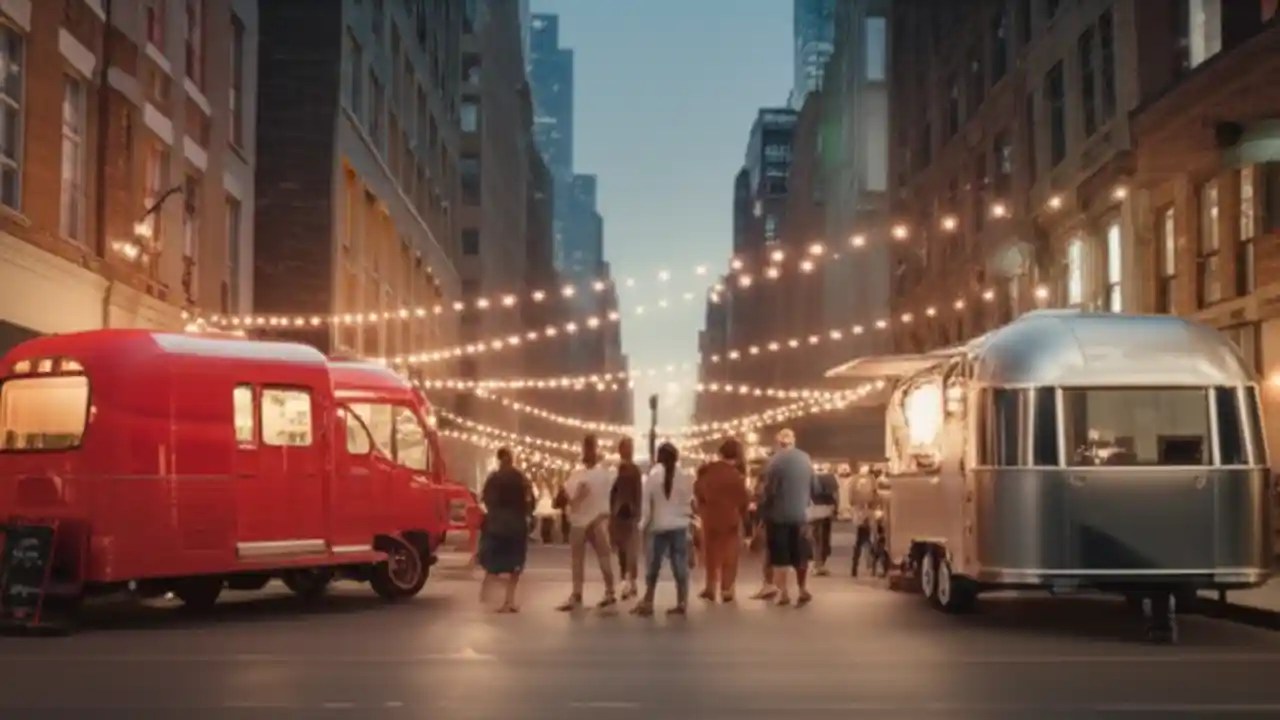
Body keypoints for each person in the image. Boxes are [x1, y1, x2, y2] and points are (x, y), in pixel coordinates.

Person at [633, 442, 696, 616]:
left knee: (653, 566)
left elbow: (647, 506)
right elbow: (688, 503)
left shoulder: (653, 476)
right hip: (679, 526)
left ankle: (648, 600)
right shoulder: (685, 476)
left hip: (658, 526)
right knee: (679, 566)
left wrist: (642, 526)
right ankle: (682, 602)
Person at [557, 434, 617, 611]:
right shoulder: (604, 474)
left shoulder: (577, 474)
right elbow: (609, 498)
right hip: (597, 520)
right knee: (603, 557)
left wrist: (573, 500)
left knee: (578, 560)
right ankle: (610, 591)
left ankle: (577, 594)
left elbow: (565, 497)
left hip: (579, 522)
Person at [761, 428, 817, 607]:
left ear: (778, 443)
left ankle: (783, 593)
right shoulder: (806, 459)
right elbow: (814, 487)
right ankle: (802, 588)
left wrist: (763, 511)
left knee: (780, 557)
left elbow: (769, 491)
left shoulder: (774, 462)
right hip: (800, 515)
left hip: (778, 515)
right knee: (801, 554)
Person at [478, 448, 535, 613]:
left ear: (499, 459)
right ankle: (509, 601)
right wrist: (527, 514)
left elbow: (486, 499)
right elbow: (530, 500)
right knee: (515, 565)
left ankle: (492, 596)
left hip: (496, 525)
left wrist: (494, 513)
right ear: (511, 459)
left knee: (494, 562)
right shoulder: (521, 478)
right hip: (516, 525)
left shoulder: (493, 478)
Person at [694, 438, 750, 602]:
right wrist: (744, 517)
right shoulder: (736, 475)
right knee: (730, 554)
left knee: (711, 553)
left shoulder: (708, 470)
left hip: (710, 517)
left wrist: (702, 506)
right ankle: (727, 588)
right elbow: (743, 499)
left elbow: (698, 489)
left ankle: (710, 587)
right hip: (730, 518)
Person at [610, 437, 644, 600]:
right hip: (619, 514)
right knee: (623, 550)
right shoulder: (617, 469)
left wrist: (638, 511)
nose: (629, 450)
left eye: (630, 447)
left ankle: (630, 582)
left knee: (630, 550)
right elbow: (612, 492)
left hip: (628, 514)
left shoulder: (632, 470)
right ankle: (627, 581)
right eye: (626, 447)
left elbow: (638, 491)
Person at [810, 471, 839, 576]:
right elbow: (836, 495)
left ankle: (816, 563)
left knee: (816, 538)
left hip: (814, 510)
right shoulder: (830, 477)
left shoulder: (810, 476)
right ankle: (821, 564)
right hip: (827, 509)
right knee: (824, 538)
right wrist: (836, 509)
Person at [851, 507, 873, 577]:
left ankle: (869, 567)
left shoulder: (869, 509)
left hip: (866, 527)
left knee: (867, 548)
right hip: (861, 527)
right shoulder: (858, 510)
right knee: (860, 547)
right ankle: (855, 568)